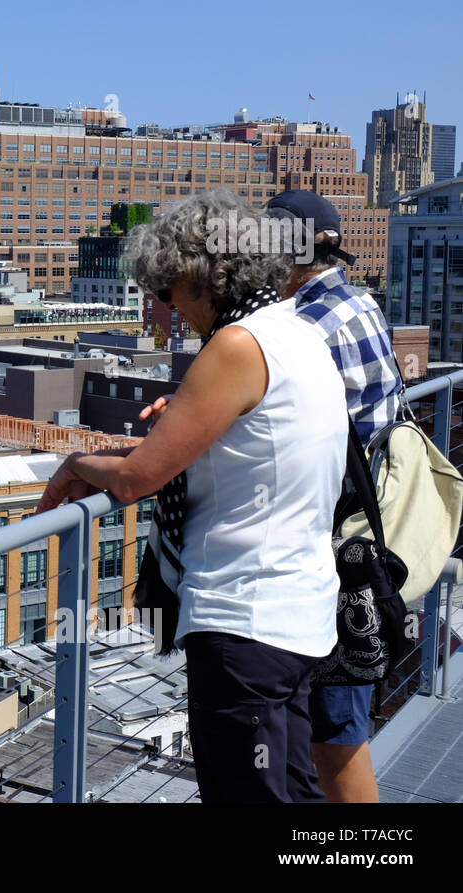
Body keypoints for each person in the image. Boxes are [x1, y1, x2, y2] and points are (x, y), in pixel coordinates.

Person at [36, 189, 348, 802]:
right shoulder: (295, 331)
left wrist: (78, 463)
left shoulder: (236, 347)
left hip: (244, 627)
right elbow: (234, 447)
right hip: (299, 615)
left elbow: (135, 480)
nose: (166, 307)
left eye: (167, 289)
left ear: (201, 278)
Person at [268, 189, 402, 804]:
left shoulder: (305, 325)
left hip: (327, 547)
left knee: (333, 734)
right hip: (360, 537)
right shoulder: (358, 303)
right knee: (335, 729)